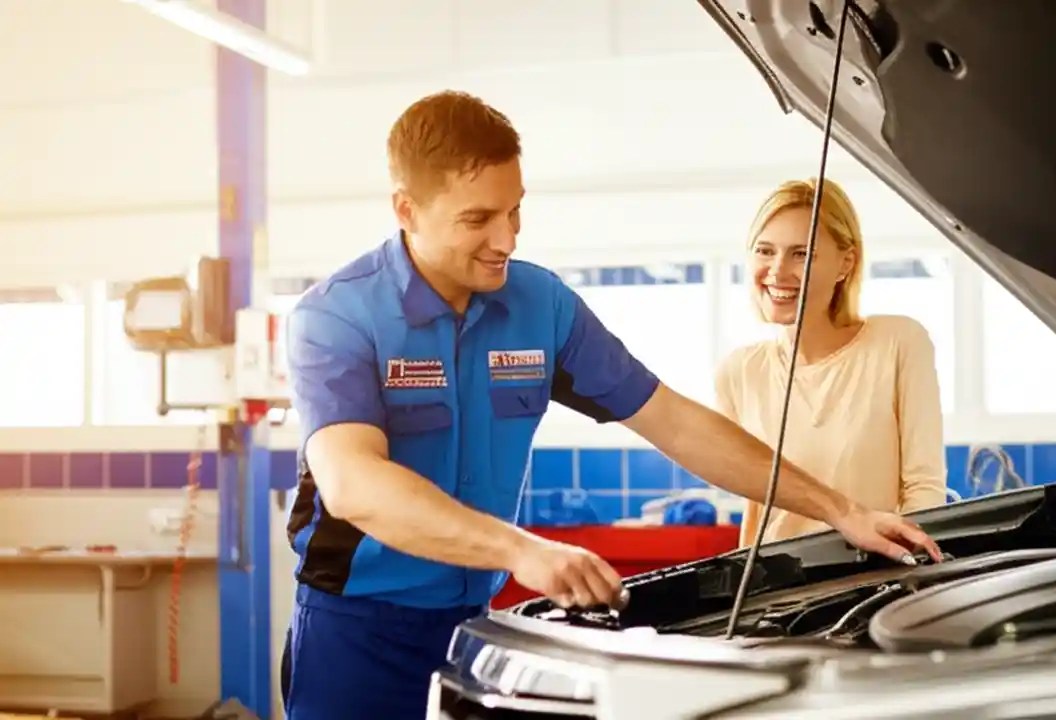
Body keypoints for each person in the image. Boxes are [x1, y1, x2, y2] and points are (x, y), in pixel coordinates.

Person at [279, 91, 943, 720]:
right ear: (407, 210)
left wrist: (841, 510)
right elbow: (354, 484)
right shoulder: (337, 317)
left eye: (515, 211)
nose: (507, 239)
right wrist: (521, 550)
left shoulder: (540, 307)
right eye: (478, 219)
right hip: (356, 634)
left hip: (472, 628)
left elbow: (673, 420)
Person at [715, 178, 948, 548]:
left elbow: (924, 488)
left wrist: (914, 565)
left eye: (801, 254)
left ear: (845, 263)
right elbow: (755, 506)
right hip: (778, 577)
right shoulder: (740, 371)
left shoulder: (898, 342)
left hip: (877, 573)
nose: (777, 271)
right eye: (764, 251)